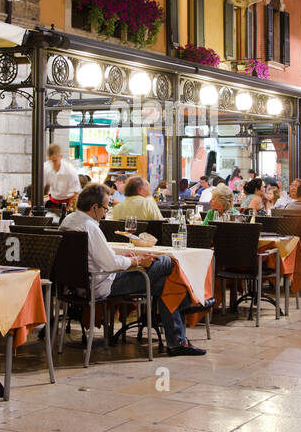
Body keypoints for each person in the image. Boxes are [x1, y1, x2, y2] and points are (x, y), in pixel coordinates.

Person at [60, 184, 204, 356]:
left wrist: (128, 259)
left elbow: (94, 254)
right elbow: (110, 264)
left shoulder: (68, 221)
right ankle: (188, 311)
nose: (106, 213)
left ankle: (178, 341)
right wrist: (137, 260)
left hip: (76, 286)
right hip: (102, 284)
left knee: (166, 284)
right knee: (168, 261)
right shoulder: (90, 226)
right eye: (105, 208)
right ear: (95, 208)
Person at [42, 143, 81, 212]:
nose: (54, 164)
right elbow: (40, 187)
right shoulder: (46, 167)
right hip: (53, 201)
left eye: (55, 160)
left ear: (61, 156)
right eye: (51, 161)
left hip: (68, 201)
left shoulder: (70, 170)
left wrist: (69, 207)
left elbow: (76, 192)